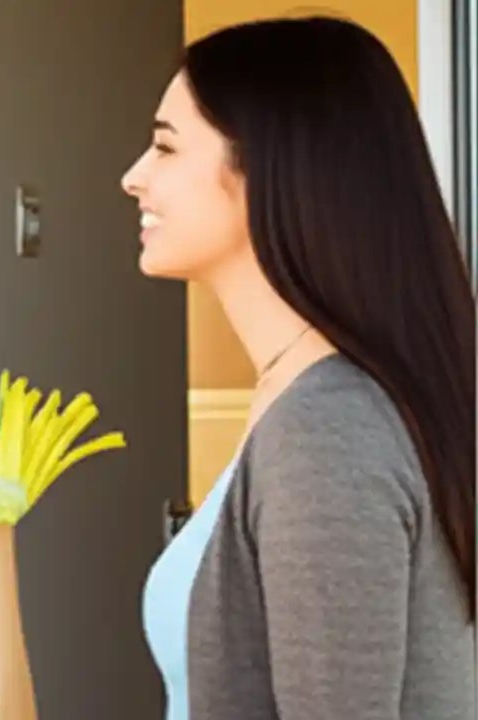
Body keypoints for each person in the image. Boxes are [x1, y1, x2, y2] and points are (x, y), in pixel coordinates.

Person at [121, 16, 476, 720]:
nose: (133, 177)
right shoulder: (314, 402)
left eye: (165, 146)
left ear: (269, 171)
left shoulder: (327, 429)